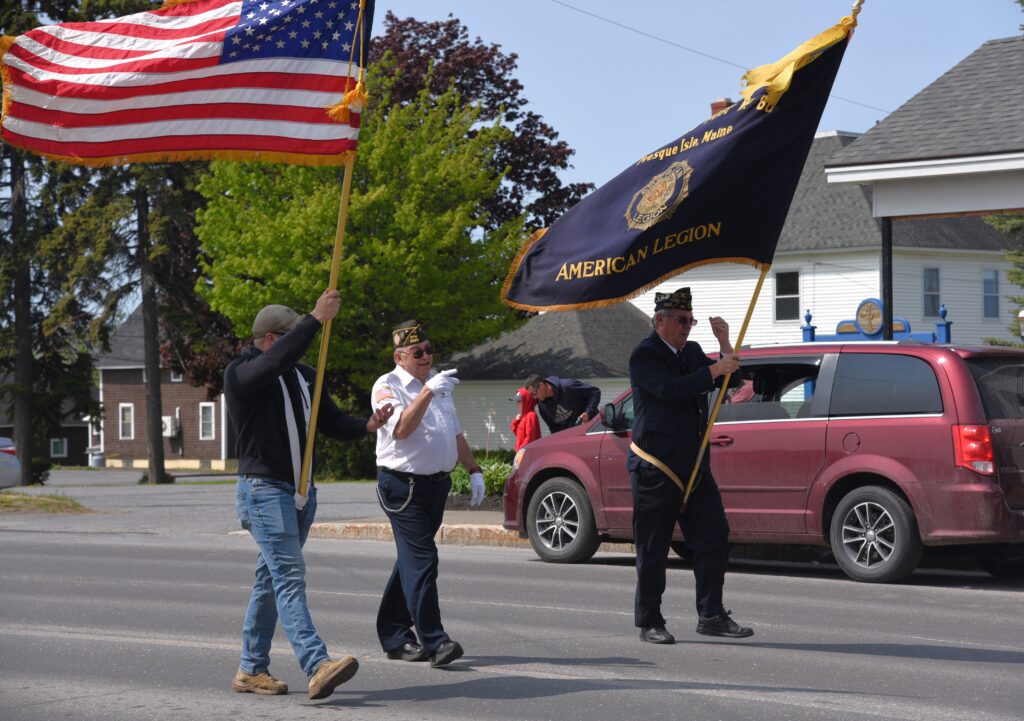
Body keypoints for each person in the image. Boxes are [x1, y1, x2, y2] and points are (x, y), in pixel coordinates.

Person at [226, 290, 394, 699]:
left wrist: (367, 425)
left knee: (270, 580)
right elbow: (274, 362)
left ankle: (250, 669)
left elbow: (329, 420)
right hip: (263, 490)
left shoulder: (304, 377)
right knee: (288, 576)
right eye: (287, 339)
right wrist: (316, 319)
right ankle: (316, 664)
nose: (295, 349)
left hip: (301, 492)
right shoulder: (242, 372)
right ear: (269, 339)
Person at [627, 287, 753, 645]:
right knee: (653, 547)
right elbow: (671, 390)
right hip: (656, 465)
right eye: (681, 321)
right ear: (660, 321)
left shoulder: (693, 351)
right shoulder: (645, 355)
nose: (687, 327)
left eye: (691, 321)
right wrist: (715, 369)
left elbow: (731, 382)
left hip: (694, 466)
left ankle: (711, 614)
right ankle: (650, 620)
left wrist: (725, 343)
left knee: (714, 537)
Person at [370, 320, 485, 668]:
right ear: (399, 356)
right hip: (403, 486)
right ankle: (436, 642)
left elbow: (455, 432)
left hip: (436, 485)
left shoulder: (438, 383)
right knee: (423, 560)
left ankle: (393, 633)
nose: (425, 357)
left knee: (412, 560)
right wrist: (427, 392)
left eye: (429, 350)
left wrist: (474, 469)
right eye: (417, 352)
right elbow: (402, 429)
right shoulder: (387, 385)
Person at [524, 373, 601, 434]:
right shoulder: (542, 405)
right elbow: (554, 429)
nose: (534, 397)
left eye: (534, 393)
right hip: (573, 440)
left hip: (593, 430)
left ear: (541, 385)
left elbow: (594, 392)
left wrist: (588, 412)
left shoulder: (568, 386)